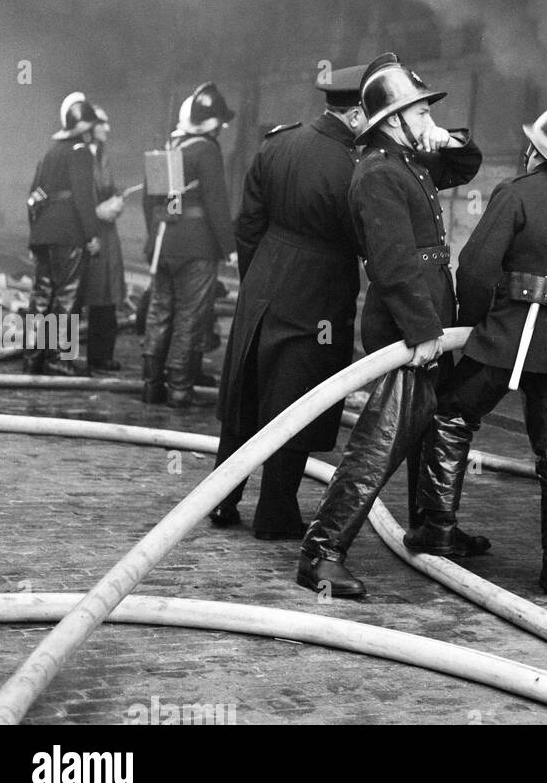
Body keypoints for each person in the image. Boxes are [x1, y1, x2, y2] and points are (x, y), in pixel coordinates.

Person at [411, 92, 547, 597]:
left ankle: (437, 530)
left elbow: (478, 268)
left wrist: (471, 329)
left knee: (451, 416)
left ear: (537, 152)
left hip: (507, 333)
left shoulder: (514, 193)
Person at [296, 52, 481, 599]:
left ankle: (432, 529)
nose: (428, 120)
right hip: (406, 329)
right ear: (394, 119)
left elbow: (465, 164)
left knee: (427, 426)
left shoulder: (409, 162)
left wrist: (444, 137)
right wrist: (423, 333)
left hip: (425, 322)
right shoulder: (379, 173)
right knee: (380, 442)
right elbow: (394, 265)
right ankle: (321, 553)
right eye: (420, 112)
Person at [208, 65, 367, 540]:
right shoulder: (355, 166)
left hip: (263, 283)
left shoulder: (276, 143)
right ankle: (275, 513)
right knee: (296, 400)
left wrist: (256, 279)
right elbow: (360, 237)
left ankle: (221, 500)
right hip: (317, 295)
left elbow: (247, 225)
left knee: (246, 392)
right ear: (357, 114)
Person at [140, 83, 236, 409]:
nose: (222, 126)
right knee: (189, 316)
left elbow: (149, 202)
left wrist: (153, 240)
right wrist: (230, 247)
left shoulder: (170, 146)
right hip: (196, 247)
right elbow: (216, 203)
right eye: (219, 120)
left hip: (163, 244)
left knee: (160, 313)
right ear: (207, 122)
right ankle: (179, 390)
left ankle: (151, 387)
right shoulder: (207, 150)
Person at [25, 93, 99, 376]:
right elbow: (82, 197)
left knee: (41, 298)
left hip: (44, 232)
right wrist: (91, 234)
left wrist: (36, 234)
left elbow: (36, 194)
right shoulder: (80, 152)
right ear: (86, 128)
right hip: (68, 234)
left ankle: (33, 357)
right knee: (67, 298)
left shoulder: (51, 152)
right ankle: (59, 359)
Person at [79, 106, 126, 373]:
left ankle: (100, 355)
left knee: (106, 294)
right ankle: (57, 357)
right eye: (102, 123)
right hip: (83, 234)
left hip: (105, 235)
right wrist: (96, 211)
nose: (108, 128)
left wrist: (116, 201)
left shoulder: (105, 156)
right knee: (69, 297)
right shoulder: (74, 154)